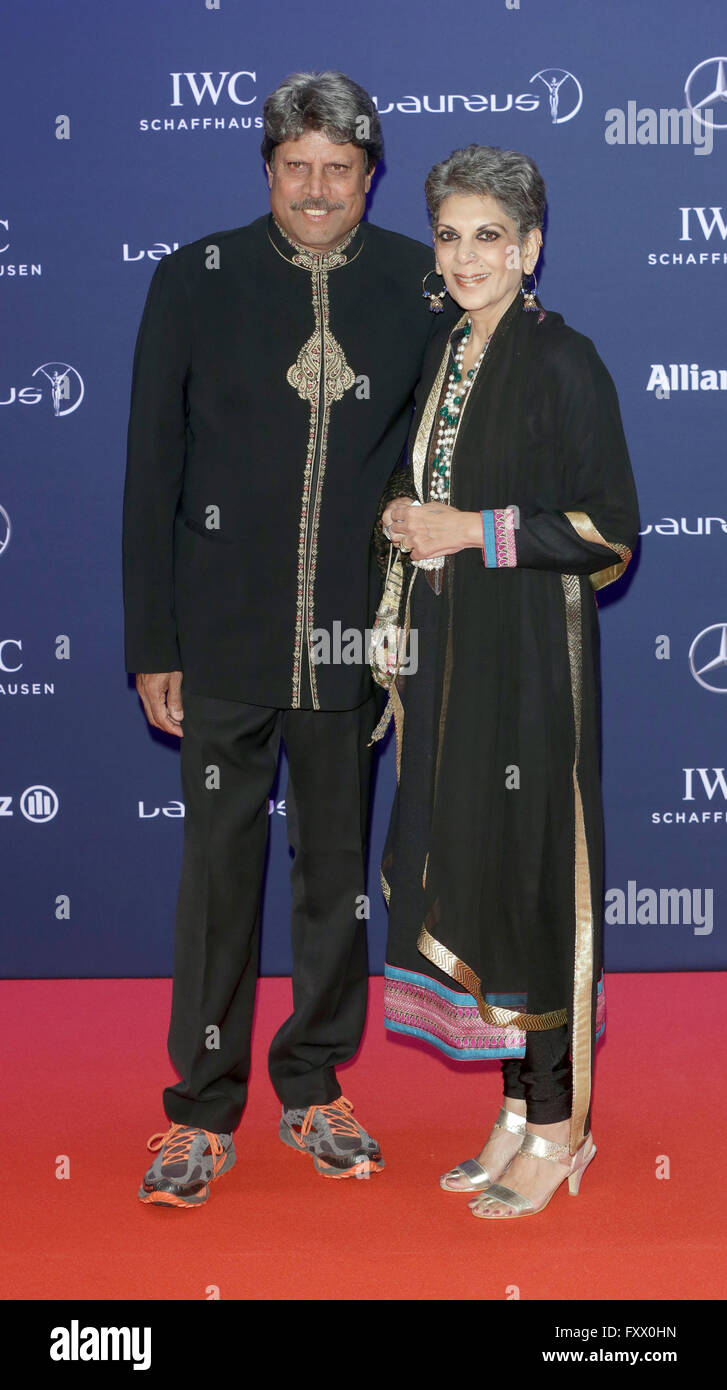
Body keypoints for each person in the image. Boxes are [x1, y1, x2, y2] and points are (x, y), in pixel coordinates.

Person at [122, 71, 450, 1205]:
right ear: (267, 170)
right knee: (218, 873)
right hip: (220, 636)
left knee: (334, 878)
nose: (316, 190)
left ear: (370, 177)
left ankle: (312, 1084)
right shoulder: (193, 280)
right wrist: (151, 639)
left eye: (339, 171)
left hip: (354, 643)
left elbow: (449, 458)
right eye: (295, 167)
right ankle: (201, 1109)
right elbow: (149, 475)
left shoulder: (420, 285)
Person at [380, 144, 640, 1219]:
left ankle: (560, 1122)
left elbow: (606, 532)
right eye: (449, 234)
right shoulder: (445, 351)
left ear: (530, 249)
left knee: (536, 882)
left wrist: (473, 531)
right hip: (453, 661)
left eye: (489, 235)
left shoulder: (562, 358)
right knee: (477, 874)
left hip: (531, 662)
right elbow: (426, 490)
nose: (465, 255)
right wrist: (402, 528)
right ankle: (513, 1103)